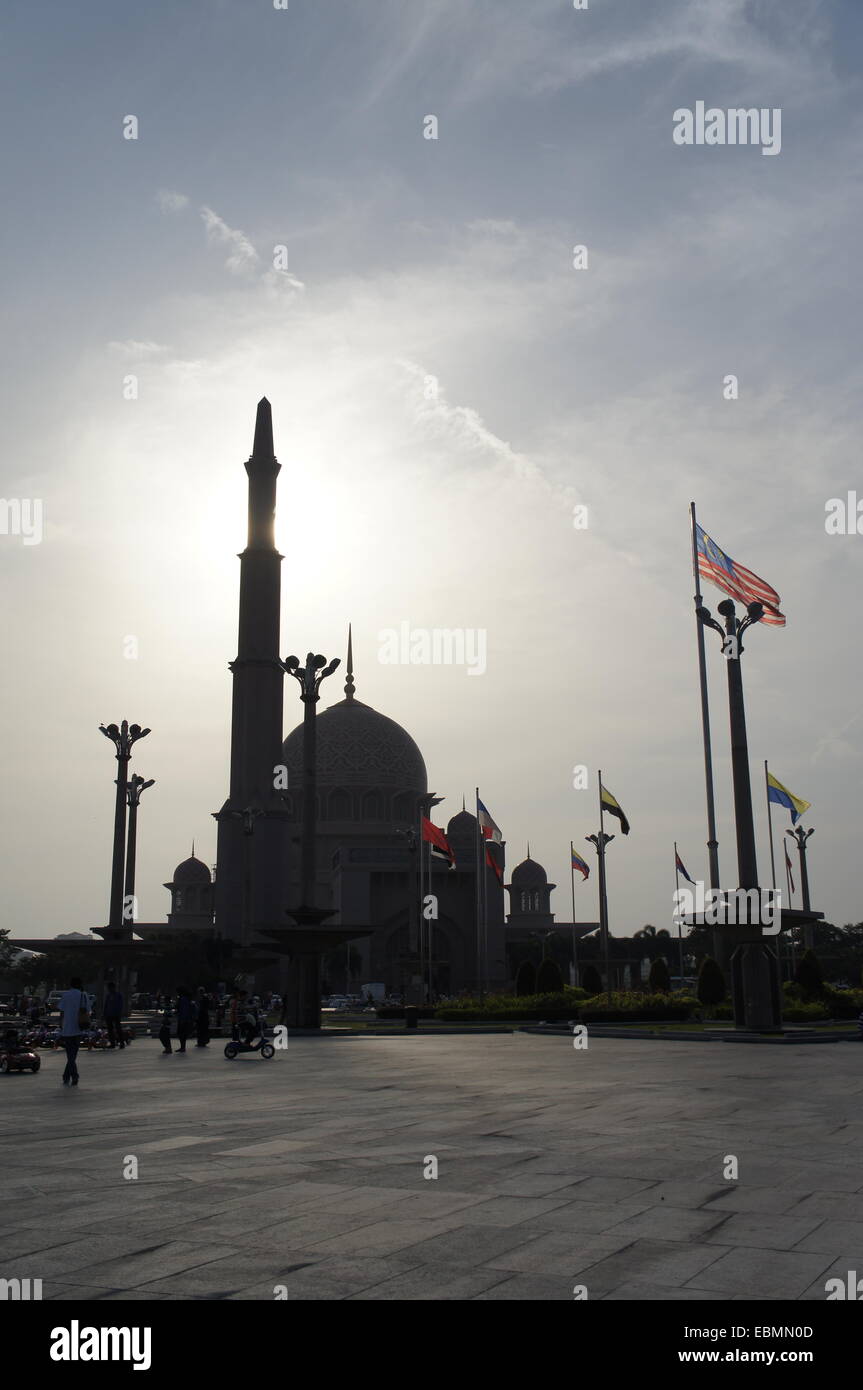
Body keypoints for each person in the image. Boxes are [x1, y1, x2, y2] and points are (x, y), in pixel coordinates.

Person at [58, 975, 89, 1086]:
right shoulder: (83, 995)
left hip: (67, 1028)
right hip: (79, 1028)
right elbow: (87, 1011)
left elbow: (61, 1012)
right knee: (73, 1055)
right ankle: (72, 1076)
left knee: (70, 1055)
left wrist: (60, 1024)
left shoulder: (65, 995)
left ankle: (68, 1076)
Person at [103, 982, 125, 1048]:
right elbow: (106, 1005)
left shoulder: (118, 995)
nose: (109, 989)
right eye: (108, 988)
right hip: (109, 1015)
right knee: (110, 1030)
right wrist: (104, 1013)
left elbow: (121, 1005)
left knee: (118, 1029)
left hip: (116, 1015)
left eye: (110, 988)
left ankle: (122, 1043)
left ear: (113, 987)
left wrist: (119, 1013)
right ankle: (112, 1043)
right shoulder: (108, 995)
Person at [175, 987, 196, 1053]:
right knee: (182, 1034)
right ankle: (182, 1047)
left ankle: (182, 1047)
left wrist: (182, 1019)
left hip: (183, 1019)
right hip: (185, 1018)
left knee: (181, 1034)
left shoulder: (183, 999)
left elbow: (184, 1010)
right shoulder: (186, 999)